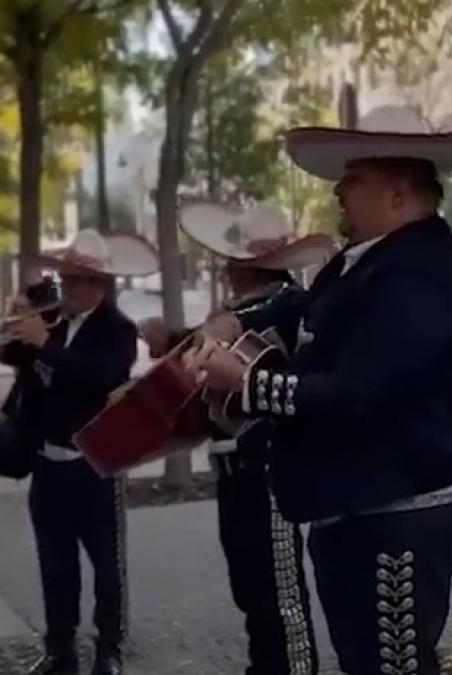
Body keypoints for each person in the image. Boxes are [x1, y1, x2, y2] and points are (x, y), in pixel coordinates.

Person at [190, 106, 452, 674]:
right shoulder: (377, 261)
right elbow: (302, 304)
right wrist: (239, 321)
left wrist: (249, 383)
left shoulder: (417, 273)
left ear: (397, 195)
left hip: (396, 515)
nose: (338, 193)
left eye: (354, 180)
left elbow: (357, 393)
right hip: (363, 509)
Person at [140, 201, 335, 675]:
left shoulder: (287, 301)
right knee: (250, 588)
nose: (227, 269)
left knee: (279, 595)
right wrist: (172, 341)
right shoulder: (239, 307)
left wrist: (191, 337)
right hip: (233, 468)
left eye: (237, 261)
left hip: (269, 470)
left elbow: (239, 326)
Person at [0, 231, 157, 675]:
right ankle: (59, 647)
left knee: (107, 563)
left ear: (97, 284)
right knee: (55, 562)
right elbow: (6, 354)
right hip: (48, 464)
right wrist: (16, 322)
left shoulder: (117, 330)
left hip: (95, 465)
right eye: (65, 278)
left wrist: (45, 345)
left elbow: (99, 376)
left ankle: (109, 647)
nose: (67, 287)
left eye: (77, 280)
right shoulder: (53, 322)